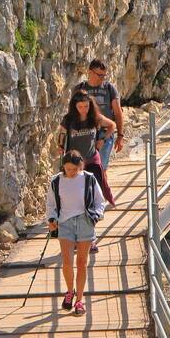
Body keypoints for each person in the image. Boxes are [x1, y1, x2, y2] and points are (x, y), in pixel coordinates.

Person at [45, 150, 106, 317]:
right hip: (64, 223)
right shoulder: (56, 181)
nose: (71, 172)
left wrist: (96, 217)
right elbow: (50, 204)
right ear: (63, 166)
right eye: (68, 169)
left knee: (82, 262)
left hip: (85, 221)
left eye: (74, 169)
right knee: (66, 262)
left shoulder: (88, 178)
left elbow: (100, 201)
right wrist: (51, 219)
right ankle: (69, 291)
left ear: (80, 166)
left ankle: (79, 299)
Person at [57, 88, 117, 251]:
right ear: (74, 106)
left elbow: (112, 125)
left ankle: (90, 239)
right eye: (80, 106)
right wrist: (60, 147)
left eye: (86, 106)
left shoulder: (95, 117)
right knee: (76, 202)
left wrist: (102, 140)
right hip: (75, 165)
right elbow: (61, 135)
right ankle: (77, 237)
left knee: (89, 201)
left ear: (90, 105)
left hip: (91, 162)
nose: (83, 109)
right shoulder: (69, 120)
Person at [73, 58, 124, 174]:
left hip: (105, 132)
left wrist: (120, 136)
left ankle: (102, 190)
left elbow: (118, 113)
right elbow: (73, 111)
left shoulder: (109, 89)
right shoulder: (80, 89)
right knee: (83, 167)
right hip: (84, 133)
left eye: (104, 75)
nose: (103, 78)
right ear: (90, 72)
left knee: (101, 168)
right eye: (100, 75)